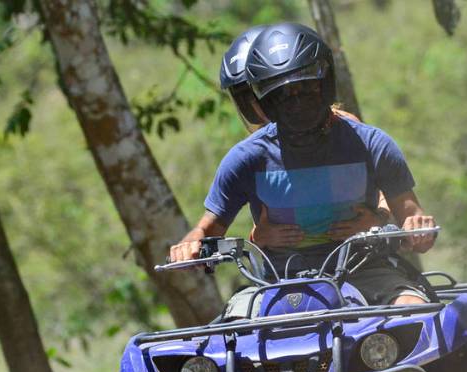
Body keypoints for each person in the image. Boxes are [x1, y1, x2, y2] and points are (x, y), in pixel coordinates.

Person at [171, 22, 437, 306]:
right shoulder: (245, 158)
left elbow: (412, 218)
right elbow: (206, 231)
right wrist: (190, 246)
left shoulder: (369, 143)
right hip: (277, 284)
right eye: (284, 94)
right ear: (265, 100)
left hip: (367, 272)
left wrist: (416, 230)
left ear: (325, 84)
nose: (296, 102)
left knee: (412, 312)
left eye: (306, 88)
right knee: (226, 342)